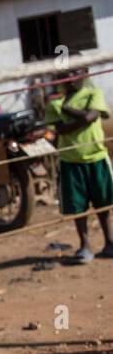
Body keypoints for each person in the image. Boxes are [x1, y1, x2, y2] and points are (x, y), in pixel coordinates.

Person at [44, 67, 113, 263]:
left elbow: (90, 117)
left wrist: (67, 110)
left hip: (96, 156)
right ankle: (85, 246)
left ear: (84, 73)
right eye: (64, 74)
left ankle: (109, 242)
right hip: (70, 160)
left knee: (104, 203)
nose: (69, 78)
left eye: (74, 73)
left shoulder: (93, 93)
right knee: (77, 206)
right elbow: (61, 130)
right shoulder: (54, 102)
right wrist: (80, 118)